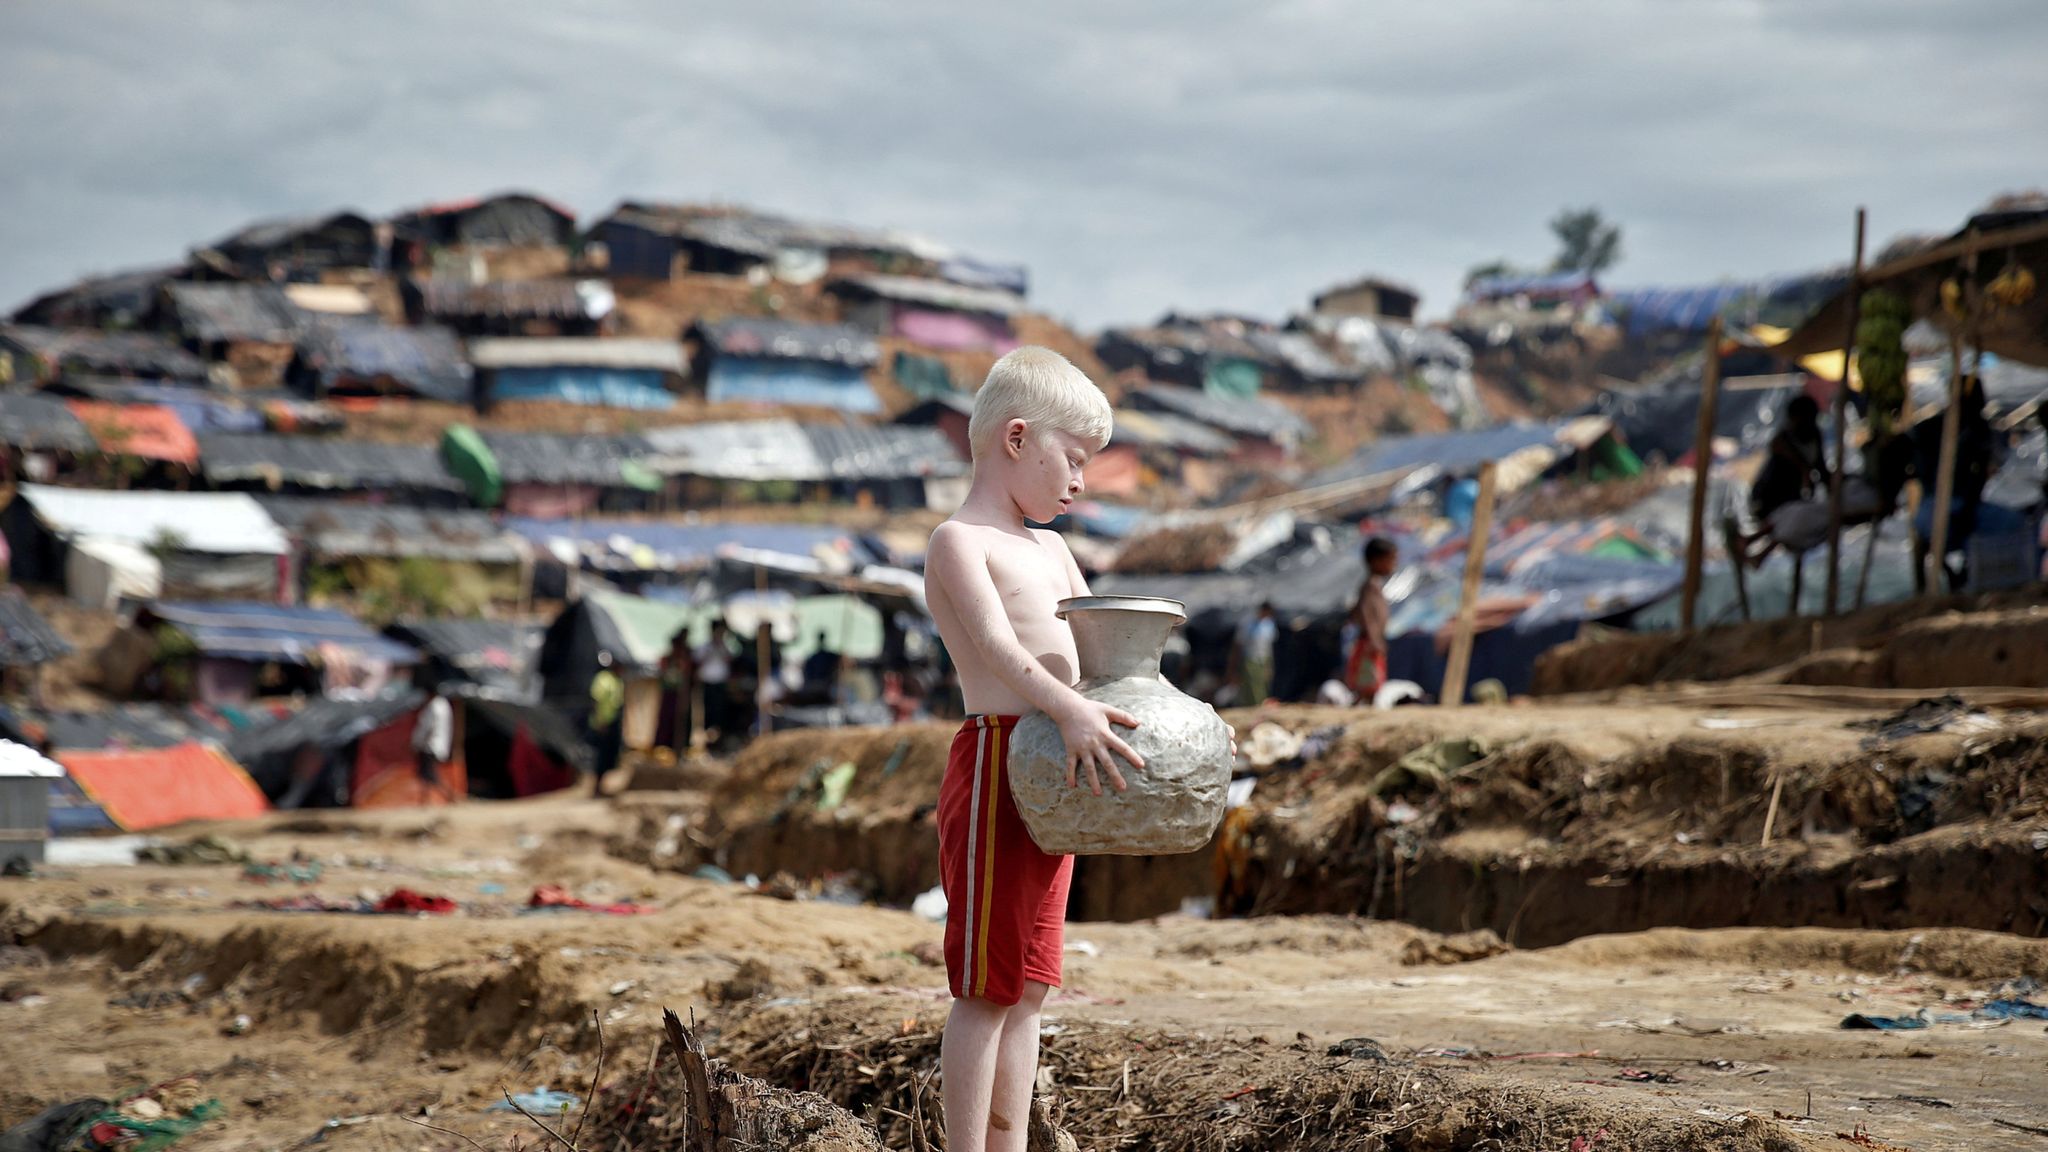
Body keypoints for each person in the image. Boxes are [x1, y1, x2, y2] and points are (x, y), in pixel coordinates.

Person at [920, 347, 1138, 1152]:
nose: (1080, 480)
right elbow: (1002, 650)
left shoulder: (1053, 550)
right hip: (1000, 761)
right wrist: (1073, 709)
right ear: (1017, 438)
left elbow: (1108, 654)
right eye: (1073, 459)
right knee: (986, 986)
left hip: (1061, 762)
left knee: (1035, 985)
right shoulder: (959, 541)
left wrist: (1172, 715)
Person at [1740, 395, 1827, 566]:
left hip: (1794, 500)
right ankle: (1751, 545)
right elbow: (1783, 451)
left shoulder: (1814, 437)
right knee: (1788, 518)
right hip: (1771, 498)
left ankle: (1756, 551)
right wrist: (1804, 470)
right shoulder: (1784, 439)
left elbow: (1820, 468)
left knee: (1799, 521)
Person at [1347, 537, 1397, 701]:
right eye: (1390, 560)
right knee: (1367, 682)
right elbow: (1367, 616)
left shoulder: (1374, 585)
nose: (1393, 564)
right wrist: (1375, 640)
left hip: (1371, 641)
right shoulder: (1370, 587)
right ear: (1376, 561)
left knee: (1371, 681)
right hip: (1369, 643)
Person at [694, 619, 734, 746]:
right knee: (708, 712)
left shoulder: (725, 647)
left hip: (720, 684)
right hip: (708, 683)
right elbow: (698, 662)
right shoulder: (705, 647)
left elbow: (729, 660)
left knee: (719, 712)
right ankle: (706, 739)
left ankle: (717, 738)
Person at [1232, 602, 1278, 706]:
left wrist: (1269, 664)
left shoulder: (1269, 624)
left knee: (1263, 683)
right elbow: (1238, 644)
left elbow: (1270, 646)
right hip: (1250, 658)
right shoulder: (1248, 623)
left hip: (1264, 658)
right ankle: (1253, 705)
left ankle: (1261, 704)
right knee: (1252, 685)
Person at [588, 651, 624, 785]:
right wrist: (600, 721)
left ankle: (602, 784)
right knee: (600, 756)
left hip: (612, 722)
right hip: (602, 723)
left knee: (610, 754)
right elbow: (595, 701)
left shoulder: (617, 681)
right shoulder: (603, 679)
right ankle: (596, 785)